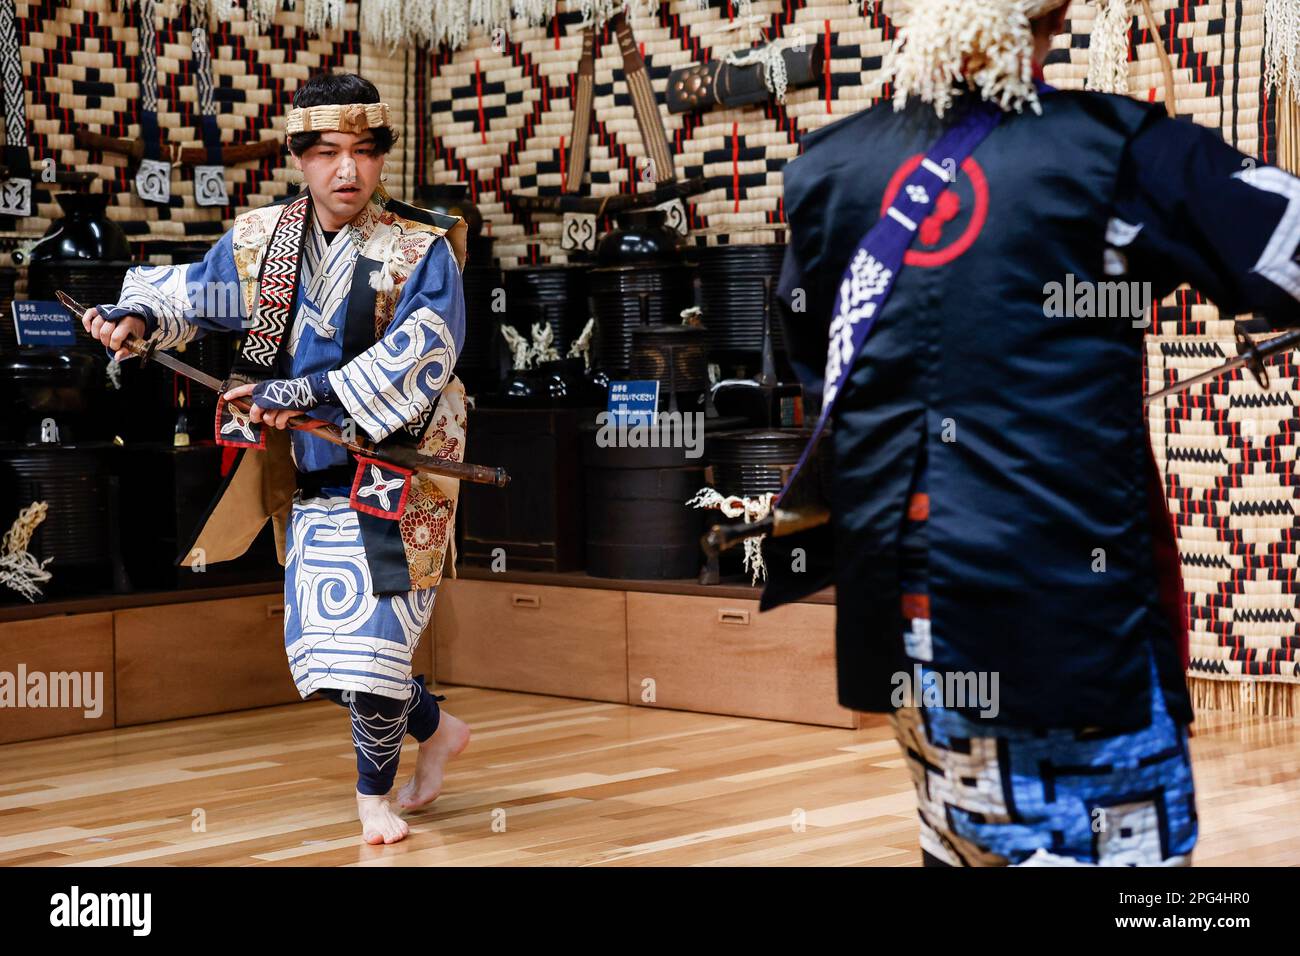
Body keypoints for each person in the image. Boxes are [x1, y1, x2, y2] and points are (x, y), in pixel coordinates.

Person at [764, 0, 1300, 865]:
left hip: (907, 617)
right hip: (1071, 620)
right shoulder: (1117, 151)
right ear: (1054, 14)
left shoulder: (829, 169)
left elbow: (814, 366)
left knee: (969, 845)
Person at [82, 72, 473, 846]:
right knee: (330, 656)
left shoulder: (420, 248)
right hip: (307, 465)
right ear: (298, 155)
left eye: (363, 152)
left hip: (404, 463)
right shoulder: (263, 240)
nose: (347, 171)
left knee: (374, 650)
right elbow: (196, 297)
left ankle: (372, 800)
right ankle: (437, 727)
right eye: (326, 152)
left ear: (382, 156)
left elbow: (424, 350)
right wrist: (135, 317)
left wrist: (308, 390)